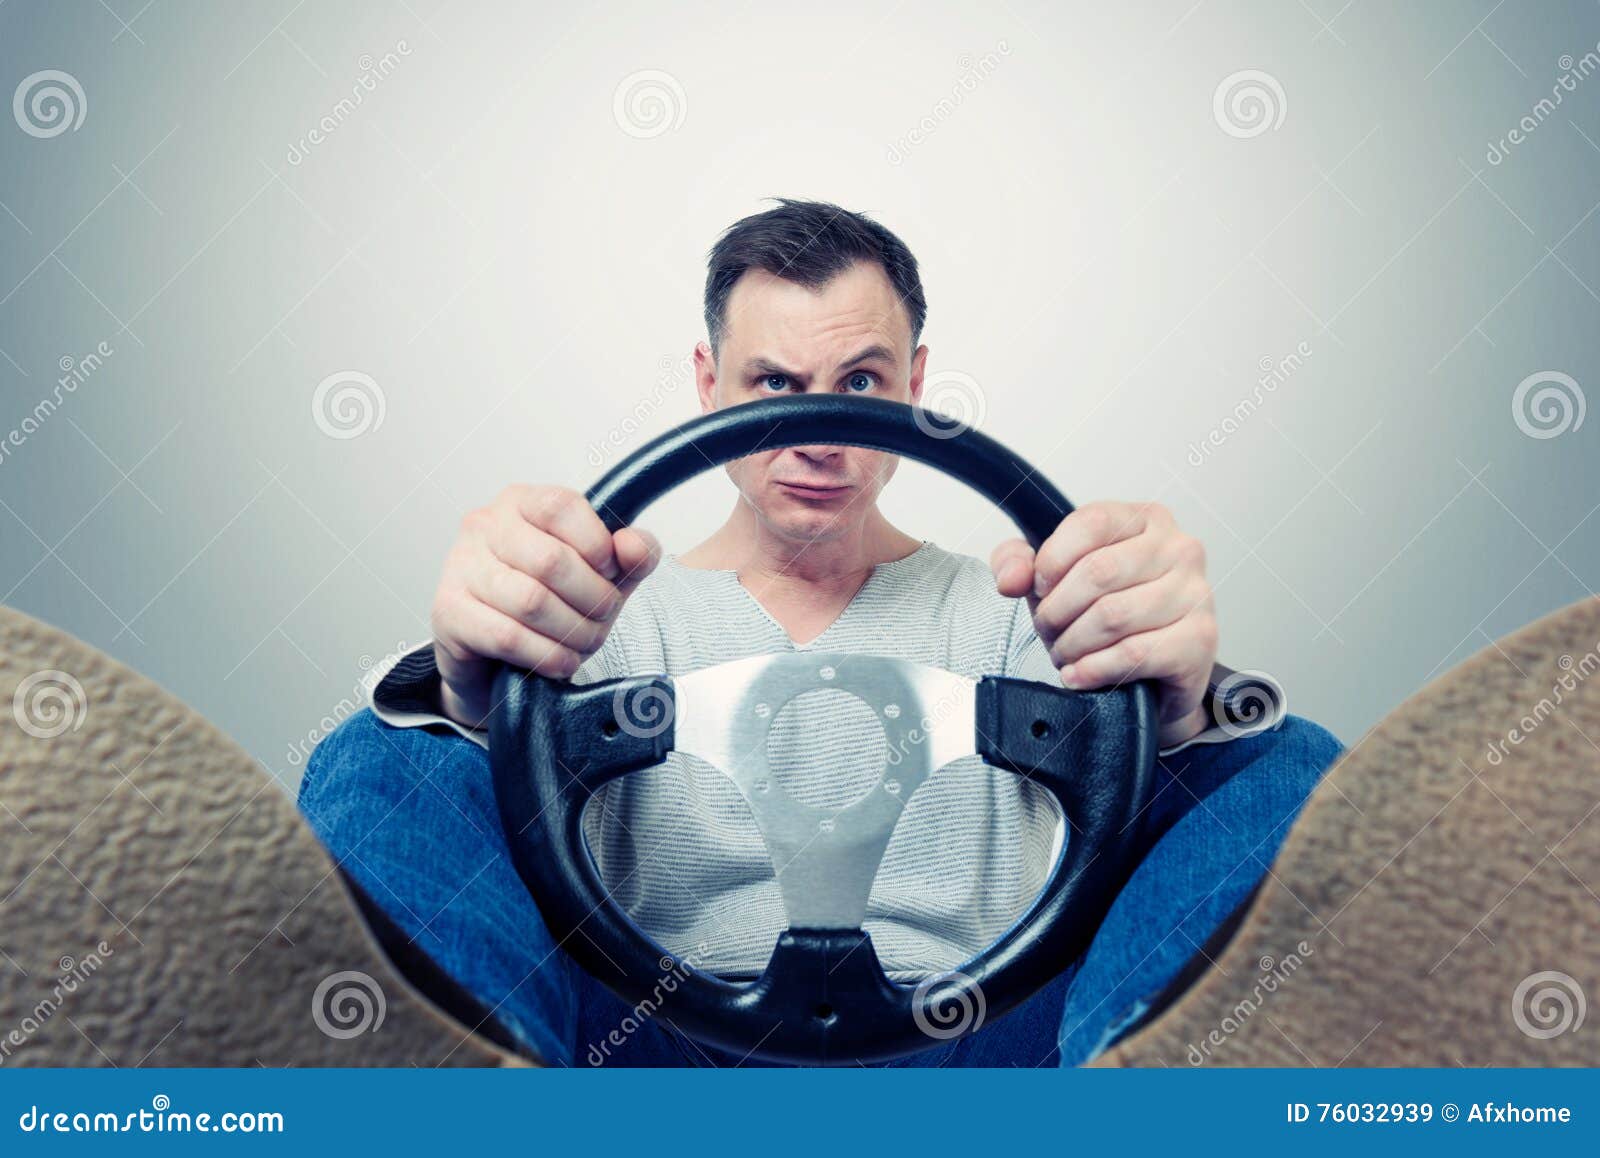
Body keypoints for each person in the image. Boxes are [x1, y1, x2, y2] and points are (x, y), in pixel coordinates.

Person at [298, 198, 1343, 1067]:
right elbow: (434, 791)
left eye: (858, 384)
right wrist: (464, 686)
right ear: (707, 389)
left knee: (1278, 757)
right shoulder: (594, 616)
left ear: (915, 391)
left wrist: (1185, 698)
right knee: (385, 749)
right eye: (773, 387)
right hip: (648, 1053)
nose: (817, 431)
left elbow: (1194, 778)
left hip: (979, 1055)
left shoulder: (1027, 614)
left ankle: (1175, 1109)